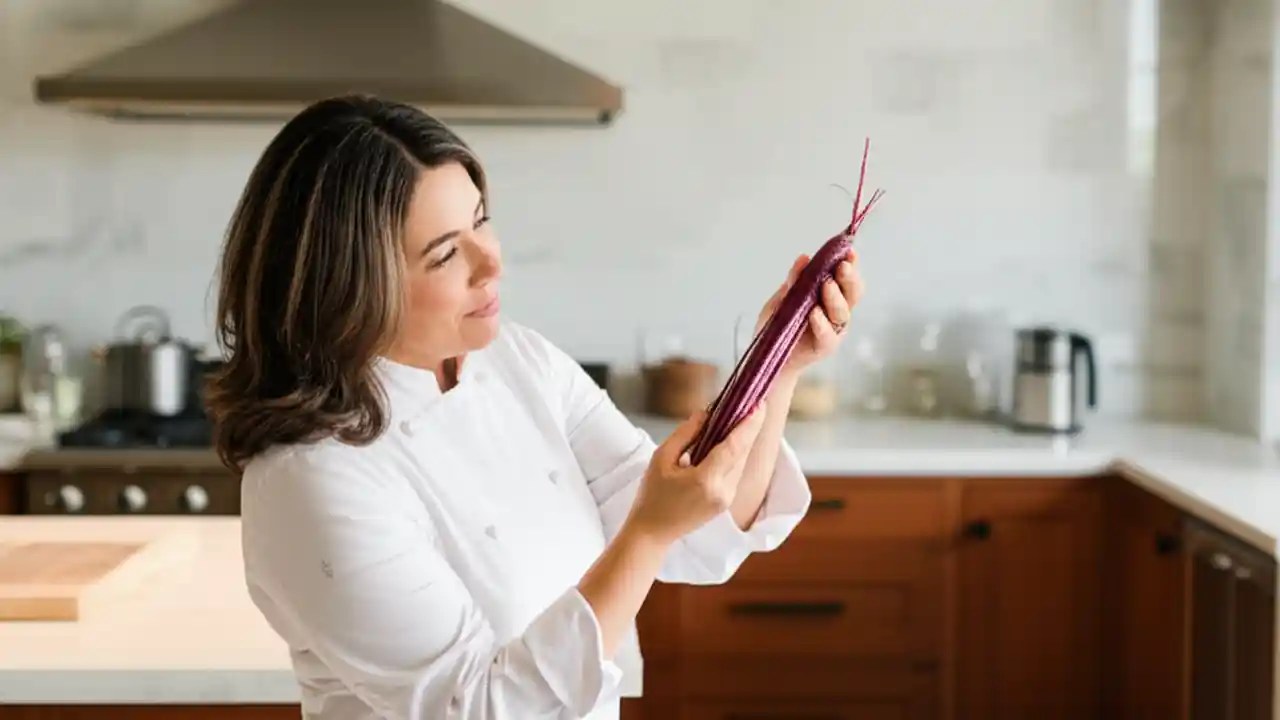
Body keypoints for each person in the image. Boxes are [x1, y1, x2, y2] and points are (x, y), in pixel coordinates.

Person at [206, 94, 864, 720]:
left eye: (481, 220)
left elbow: (703, 532)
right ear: (349, 285)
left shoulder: (520, 362)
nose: (489, 263)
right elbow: (489, 707)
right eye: (444, 254)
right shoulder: (311, 477)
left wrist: (782, 366)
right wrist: (647, 533)